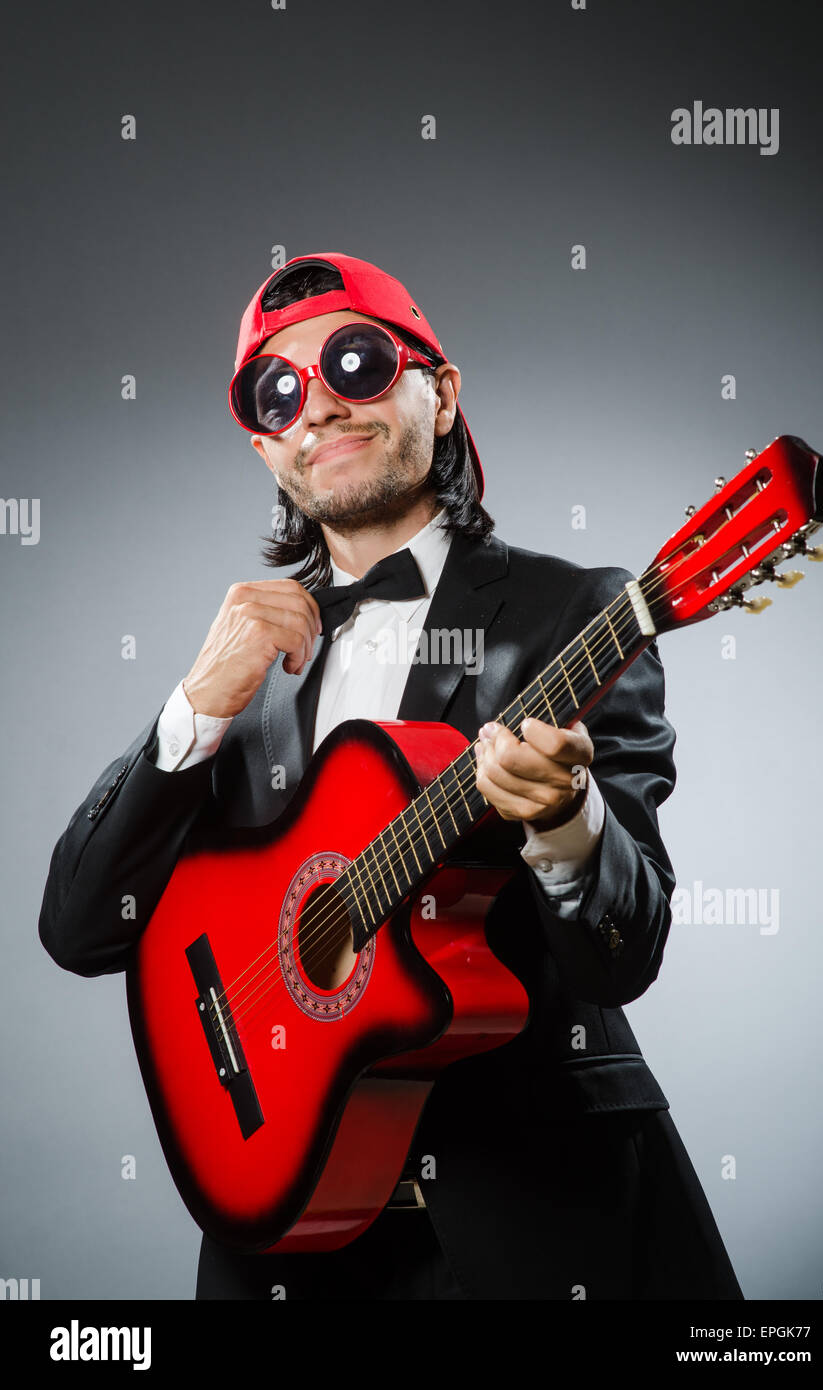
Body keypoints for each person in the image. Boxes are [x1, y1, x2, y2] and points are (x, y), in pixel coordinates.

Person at [38, 252, 743, 1301]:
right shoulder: (250, 669)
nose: (316, 402)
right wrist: (191, 712)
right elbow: (80, 927)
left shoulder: (581, 621)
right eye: (275, 391)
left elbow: (619, 957)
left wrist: (569, 826)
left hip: (536, 1222)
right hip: (279, 1231)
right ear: (263, 441)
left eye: (356, 361)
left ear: (441, 392)